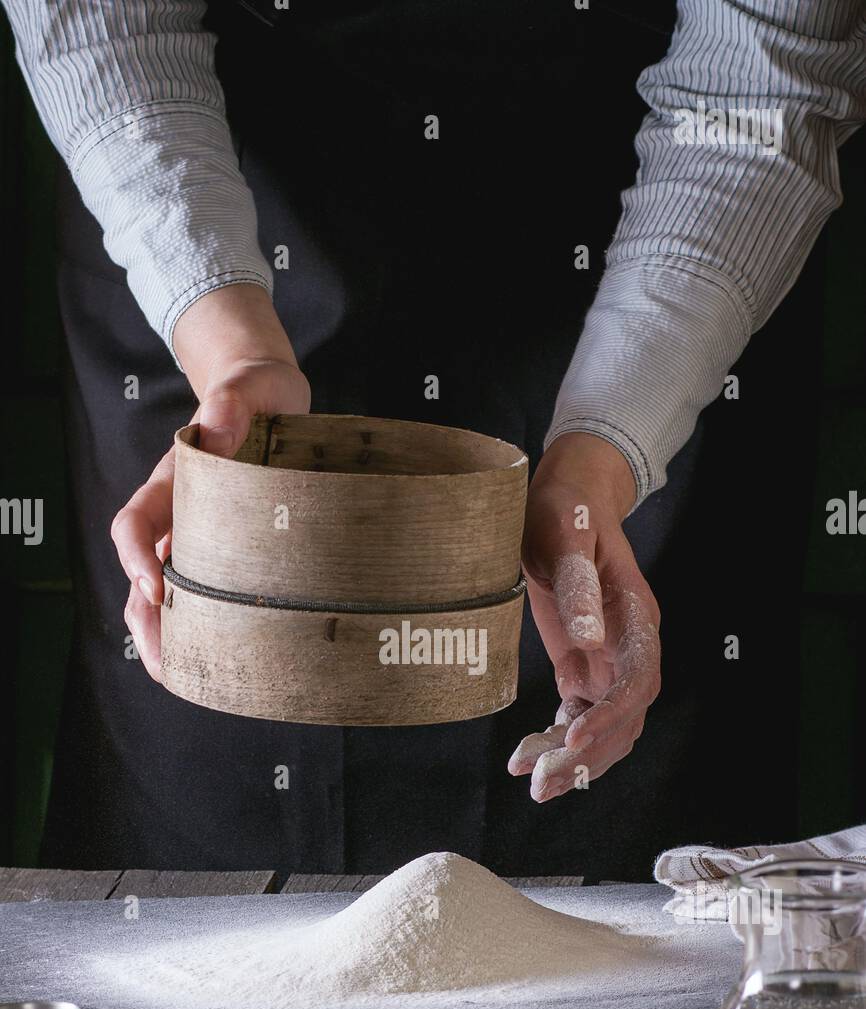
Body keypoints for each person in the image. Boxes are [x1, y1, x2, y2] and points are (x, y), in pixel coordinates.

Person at [4, 0, 864, 877]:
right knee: (201, 900)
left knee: (637, 916)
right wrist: (233, 353)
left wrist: (606, 451)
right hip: (207, 240)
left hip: (649, 281)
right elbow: (97, 19)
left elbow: (766, 70)